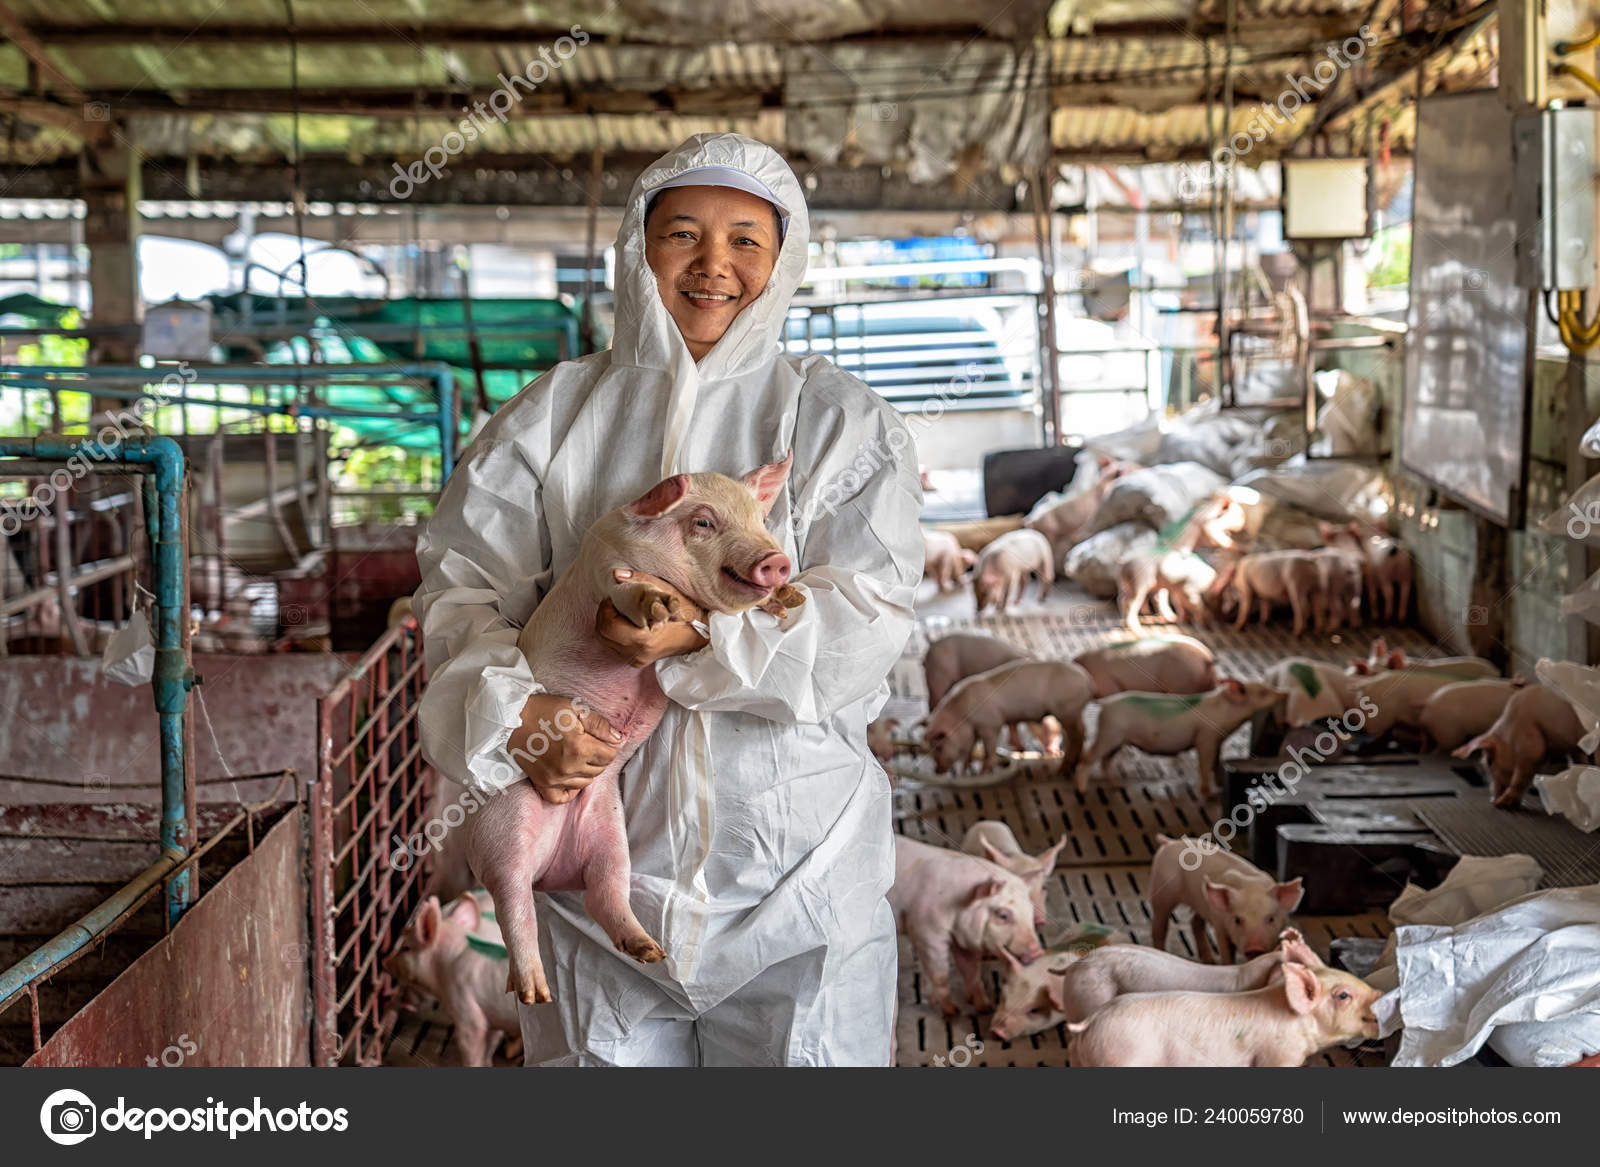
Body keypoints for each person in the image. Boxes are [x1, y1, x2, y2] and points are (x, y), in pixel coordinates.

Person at [413, 132, 924, 1066]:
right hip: (596, 884)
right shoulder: (551, 418)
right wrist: (522, 716)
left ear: (782, 262)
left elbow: (866, 624)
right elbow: (458, 598)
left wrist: (690, 646)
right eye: (683, 234)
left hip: (796, 883)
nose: (713, 265)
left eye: (745, 242)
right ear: (636, 249)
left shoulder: (841, 423)